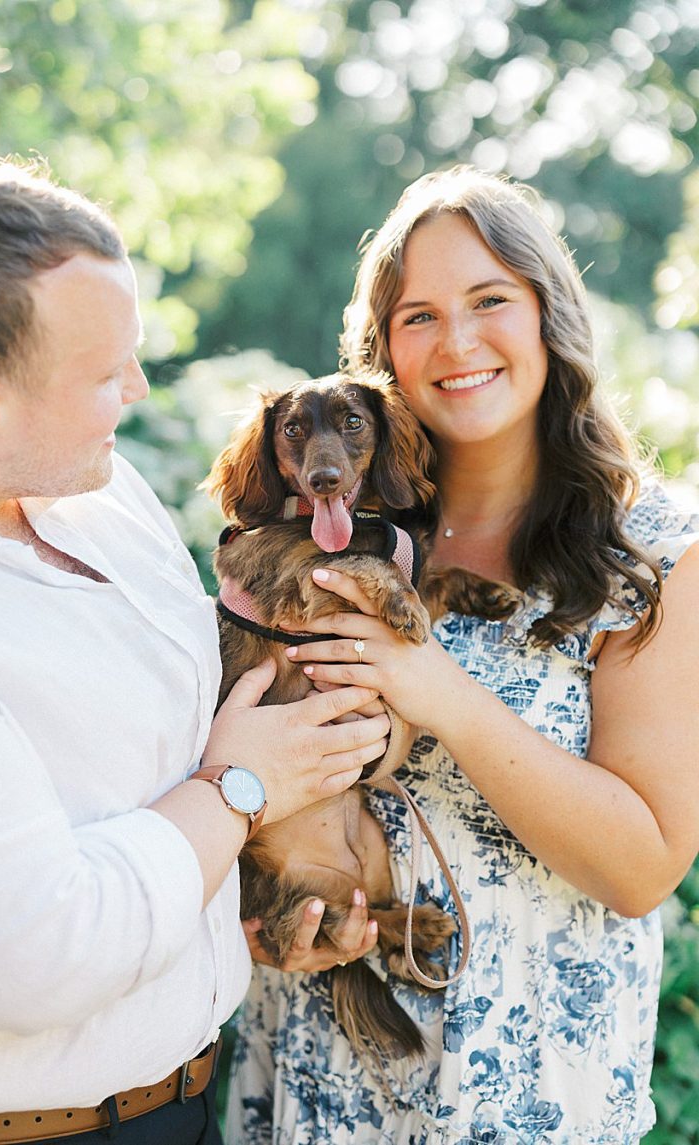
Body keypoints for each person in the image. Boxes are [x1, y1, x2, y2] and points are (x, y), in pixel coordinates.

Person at [227, 166, 699, 1143]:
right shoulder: (328, 543)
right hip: (324, 1084)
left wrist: (436, 689)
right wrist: (262, 916)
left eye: (491, 300)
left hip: (521, 1098)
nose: (457, 341)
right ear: (380, 350)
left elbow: (643, 866)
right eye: (419, 316)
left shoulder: (652, 554)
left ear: (549, 317)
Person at [0, 162, 390, 1145]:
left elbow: (159, 743)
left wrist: (264, 904)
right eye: (108, 374)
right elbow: (37, 949)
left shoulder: (102, 491)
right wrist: (238, 788)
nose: (138, 391)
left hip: (193, 1094)